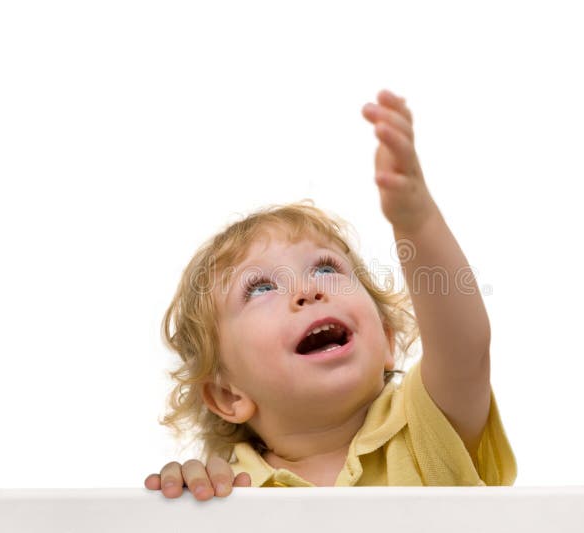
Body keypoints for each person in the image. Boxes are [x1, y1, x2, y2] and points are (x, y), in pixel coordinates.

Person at [144, 90, 517, 500]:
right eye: (261, 288)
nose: (308, 290)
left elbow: (465, 348)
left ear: (388, 341)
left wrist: (416, 220)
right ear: (228, 395)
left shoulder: (423, 429)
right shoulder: (230, 491)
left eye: (325, 268)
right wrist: (185, 504)